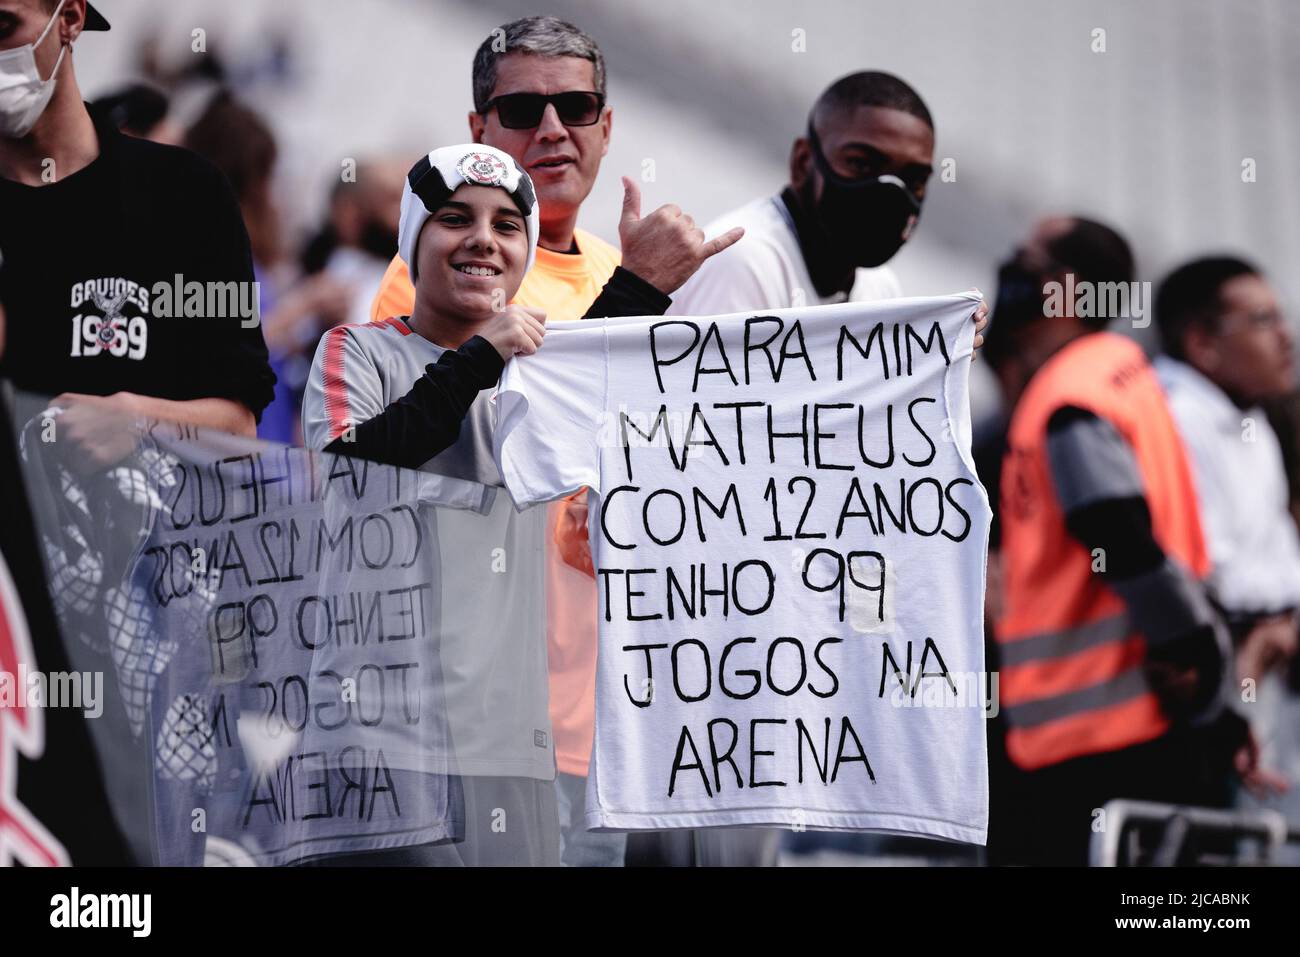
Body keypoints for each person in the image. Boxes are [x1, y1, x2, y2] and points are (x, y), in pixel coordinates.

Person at [366, 16, 741, 867]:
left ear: (607, 127)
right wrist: (638, 290)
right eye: (522, 108)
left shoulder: (623, 269)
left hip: (597, 722)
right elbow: (449, 444)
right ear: (477, 131)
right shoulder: (445, 265)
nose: (551, 128)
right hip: (478, 723)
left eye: (575, 106)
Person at [649, 69, 987, 866]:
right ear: (805, 159)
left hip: (791, 646)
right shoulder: (745, 262)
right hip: (710, 652)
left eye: (913, 178)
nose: (890, 191)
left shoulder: (879, 285)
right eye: (863, 163)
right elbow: (698, 463)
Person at [0, 0, 276, 865]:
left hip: (134, 662)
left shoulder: (180, 197)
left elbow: (238, 417)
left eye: (2, 25)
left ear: (69, 18)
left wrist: (135, 419)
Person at [990, 217, 1254, 865]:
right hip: (1130, 727)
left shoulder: (1069, 397)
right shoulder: (1122, 373)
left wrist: (1203, 666)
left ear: (1069, 290)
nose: (1011, 271)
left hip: (1089, 742)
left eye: (1030, 261)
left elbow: (1120, 536)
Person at [1152, 256, 1296, 820]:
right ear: (1202, 343)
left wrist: (1280, 623)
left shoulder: (1251, 421)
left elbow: (1282, 557)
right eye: (1263, 321)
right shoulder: (1176, 418)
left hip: (1257, 666)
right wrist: (1270, 626)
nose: (1286, 337)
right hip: (1206, 680)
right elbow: (1209, 569)